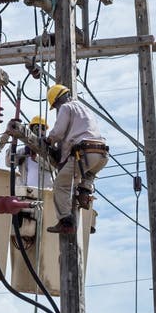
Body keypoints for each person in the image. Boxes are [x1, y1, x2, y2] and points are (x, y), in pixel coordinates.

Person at [44, 84, 109, 234]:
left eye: (55, 105)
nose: (57, 109)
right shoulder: (84, 108)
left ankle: (66, 222)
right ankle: (84, 191)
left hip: (84, 154)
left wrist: (49, 140)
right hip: (102, 155)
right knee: (87, 174)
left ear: (58, 100)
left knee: (61, 185)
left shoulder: (66, 108)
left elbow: (59, 132)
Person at [4, 116, 53, 188]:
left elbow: (52, 167)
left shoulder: (49, 151)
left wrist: (36, 158)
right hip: (24, 193)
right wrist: (14, 140)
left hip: (44, 193)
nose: (39, 131)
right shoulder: (22, 151)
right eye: (35, 128)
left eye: (42, 128)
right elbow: (9, 163)